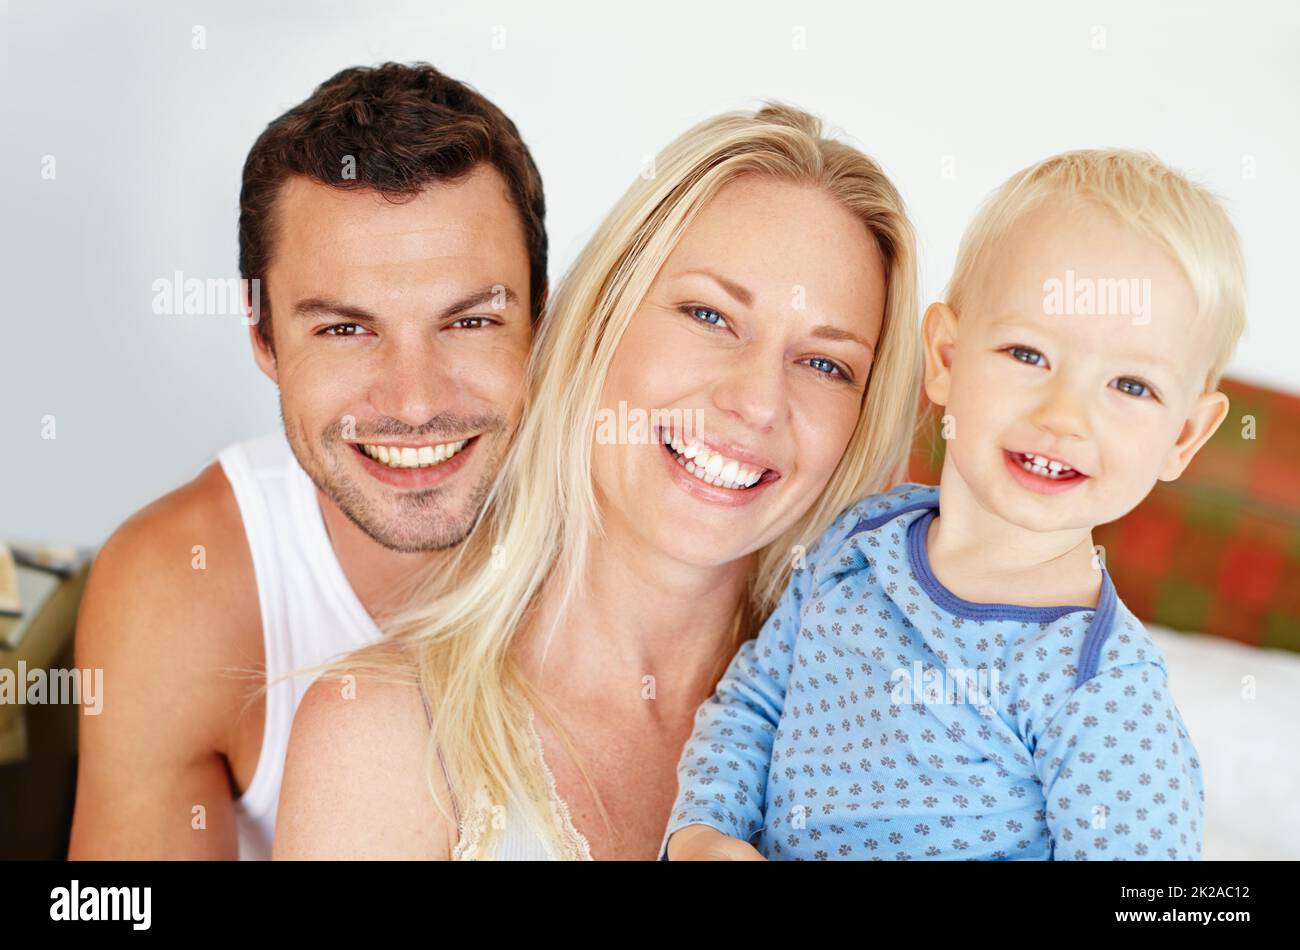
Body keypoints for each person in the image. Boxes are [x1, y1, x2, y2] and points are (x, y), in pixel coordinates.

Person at [275, 102, 922, 860]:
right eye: (710, 316)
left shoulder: (891, 737)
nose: (757, 402)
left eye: (825, 364)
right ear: (598, 318)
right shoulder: (385, 732)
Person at [664, 149, 1246, 860]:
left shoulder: (1102, 692)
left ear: (1184, 436)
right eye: (1028, 355)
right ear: (943, 357)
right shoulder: (861, 539)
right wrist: (704, 829)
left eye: (1130, 386)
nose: (1065, 416)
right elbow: (756, 702)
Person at [67, 62, 546, 859]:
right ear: (262, 338)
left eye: (468, 323)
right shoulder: (179, 587)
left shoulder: (655, 526)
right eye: (344, 330)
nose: (417, 401)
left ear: (540, 318)